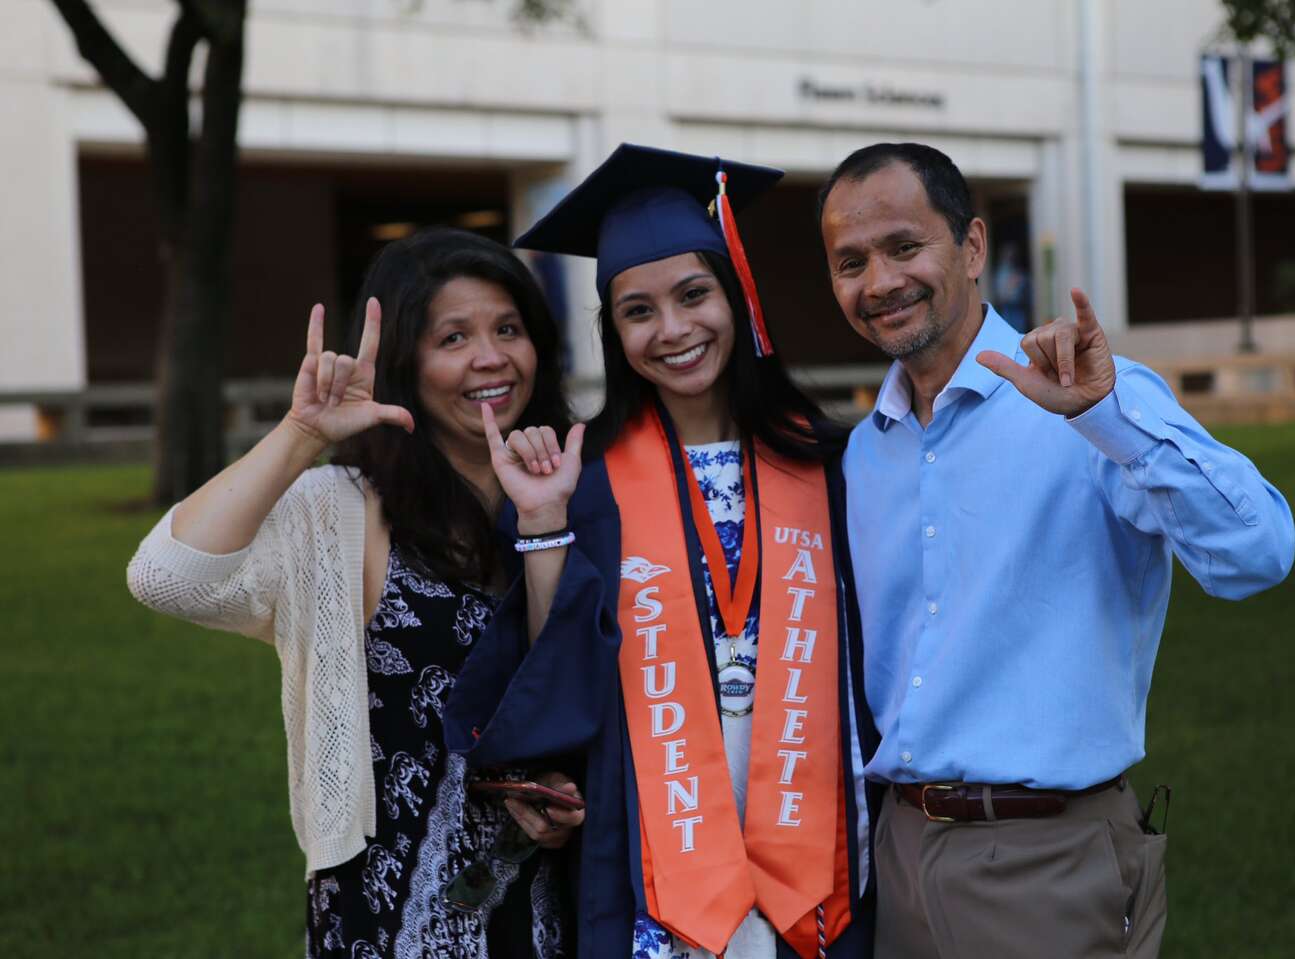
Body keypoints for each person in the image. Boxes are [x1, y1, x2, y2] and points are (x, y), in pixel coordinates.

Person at [816, 142, 1295, 958]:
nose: (879, 282)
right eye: (850, 261)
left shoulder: (1088, 399)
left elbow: (1258, 552)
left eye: (904, 247)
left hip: (1047, 860)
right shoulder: (863, 454)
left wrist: (1104, 418)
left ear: (971, 247)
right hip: (895, 856)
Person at [443, 144, 878, 959]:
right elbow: (556, 667)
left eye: (692, 295)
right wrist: (542, 522)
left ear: (737, 298)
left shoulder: (830, 463)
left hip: (808, 833)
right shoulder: (592, 481)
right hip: (657, 841)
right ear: (615, 330)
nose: (673, 331)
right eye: (638, 310)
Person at [126, 228, 583, 958]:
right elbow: (165, 576)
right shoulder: (340, 510)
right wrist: (302, 432)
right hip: (384, 915)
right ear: (406, 361)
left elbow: (579, 695)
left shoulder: (572, 495)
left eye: (508, 328)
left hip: (542, 911)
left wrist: (567, 793)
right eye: (453, 337)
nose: (490, 356)